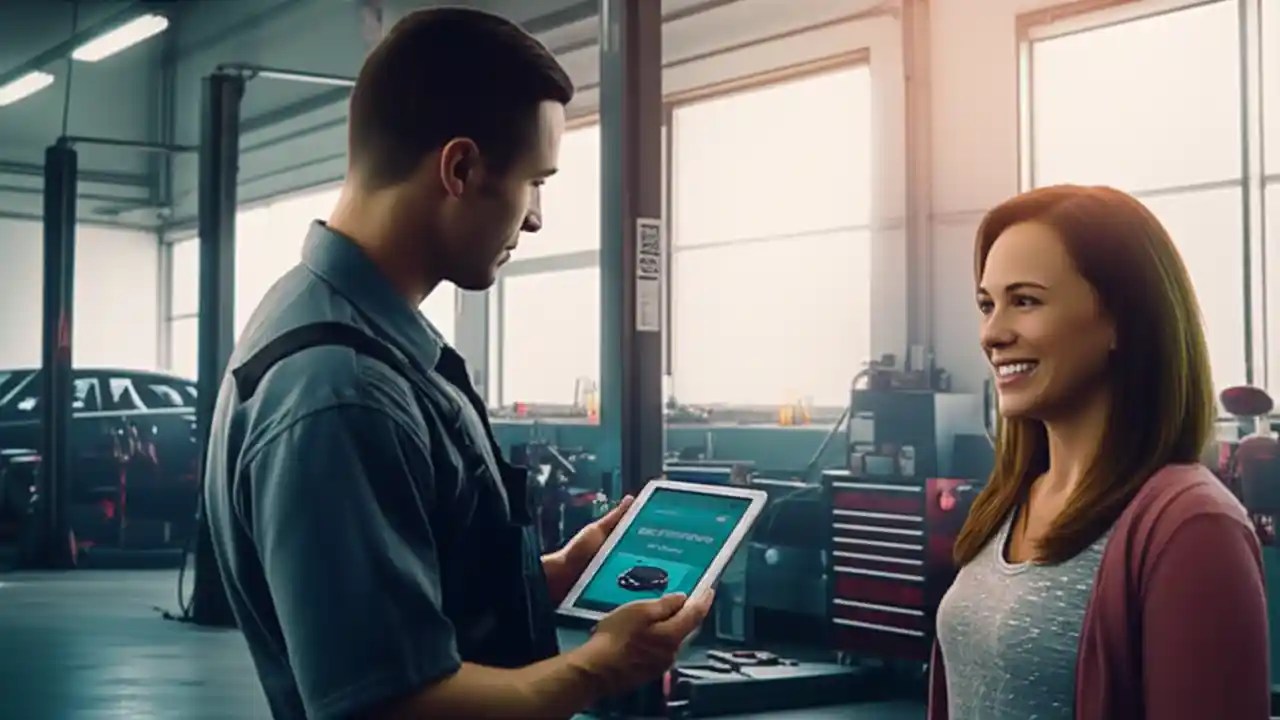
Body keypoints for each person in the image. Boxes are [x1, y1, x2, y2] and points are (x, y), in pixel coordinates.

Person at [202, 8, 713, 720]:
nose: (535, 218)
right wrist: (599, 668)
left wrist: (554, 578)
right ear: (461, 167)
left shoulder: (343, 331)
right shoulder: (342, 393)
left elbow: (400, 600)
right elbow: (391, 703)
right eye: (536, 181)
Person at [929, 185, 1271, 720]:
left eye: (1026, 300)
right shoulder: (1010, 501)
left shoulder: (1194, 527)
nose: (992, 333)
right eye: (986, 305)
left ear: (1121, 320)